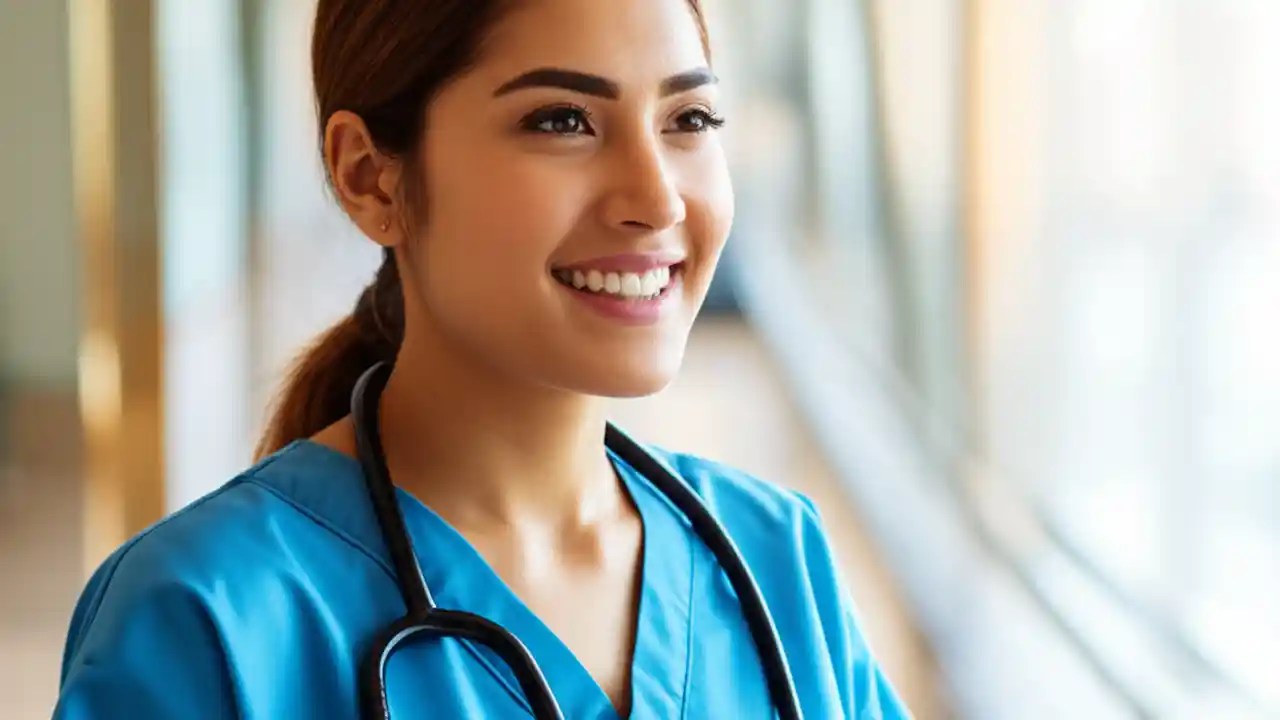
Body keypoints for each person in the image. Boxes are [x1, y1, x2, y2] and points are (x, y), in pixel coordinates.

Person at [53, 0, 910, 717]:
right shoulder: (205, 619)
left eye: (689, 120)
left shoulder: (775, 559)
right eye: (563, 121)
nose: (655, 199)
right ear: (371, 179)